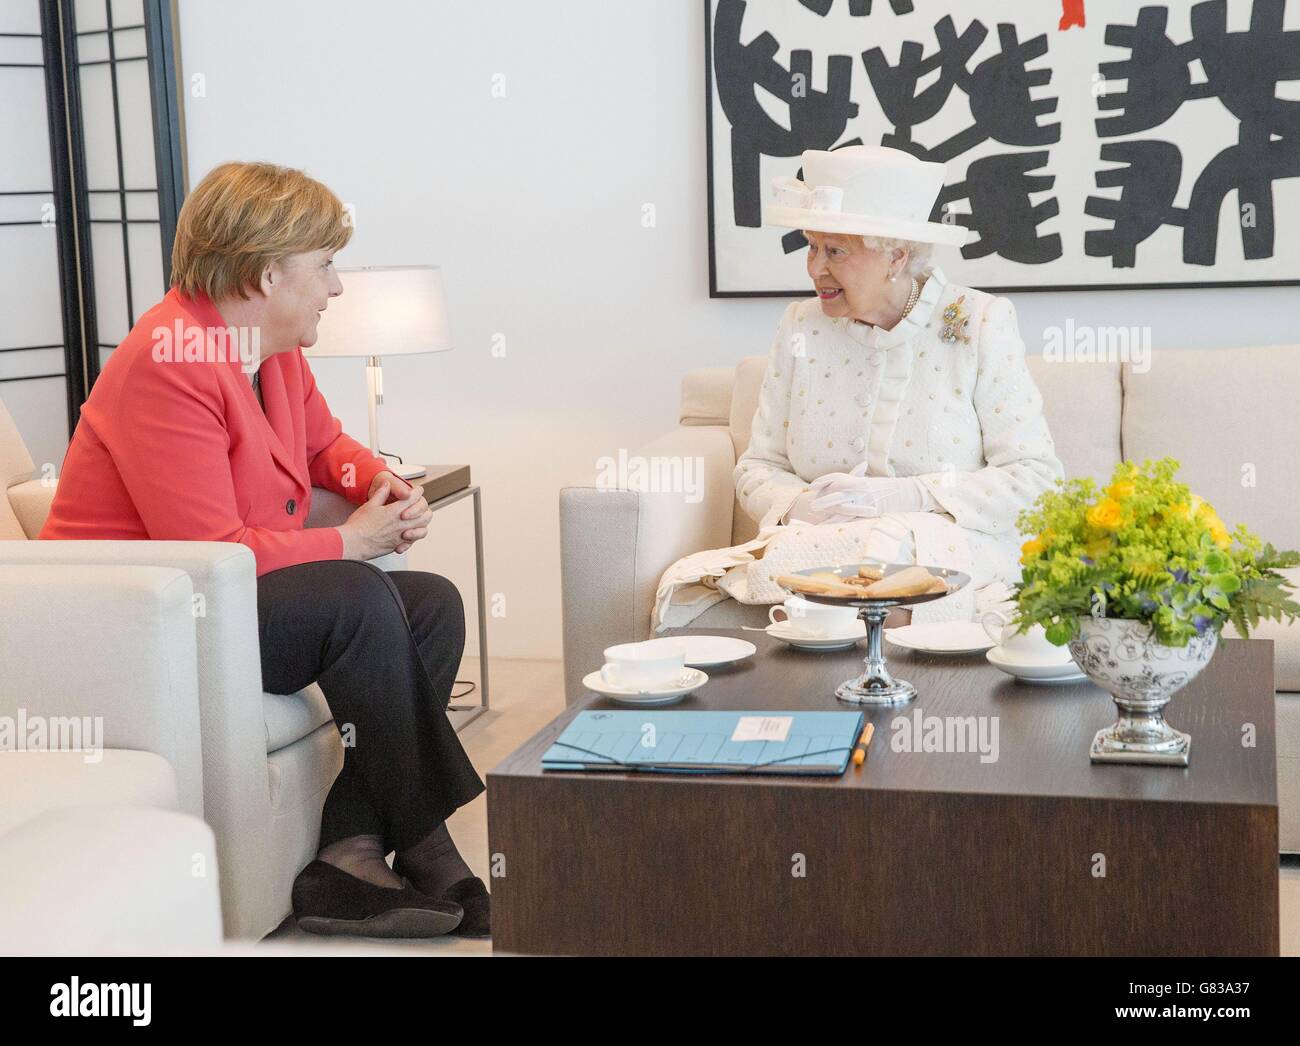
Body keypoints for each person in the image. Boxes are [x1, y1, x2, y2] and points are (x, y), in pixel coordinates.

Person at [40, 162, 489, 938]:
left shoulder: (270, 347)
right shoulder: (168, 359)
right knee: (354, 595)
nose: (337, 288)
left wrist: (380, 481)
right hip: (141, 627)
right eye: (325, 267)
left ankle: (348, 854)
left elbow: (325, 446)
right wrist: (350, 539)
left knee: (432, 604)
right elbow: (208, 552)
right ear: (265, 272)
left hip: (223, 601)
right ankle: (428, 842)